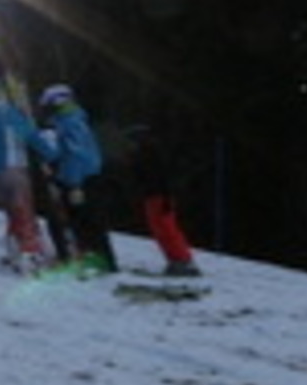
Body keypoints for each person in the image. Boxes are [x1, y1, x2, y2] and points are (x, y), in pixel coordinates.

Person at [33, 83, 118, 274]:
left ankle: (84, 259)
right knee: (89, 220)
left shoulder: (68, 123)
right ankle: (100, 259)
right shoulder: (76, 120)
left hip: (78, 180)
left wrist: (74, 184)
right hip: (87, 177)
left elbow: (69, 154)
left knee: (74, 220)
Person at [0, 72, 48, 273]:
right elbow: (33, 138)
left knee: (12, 215)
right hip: (14, 172)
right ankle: (30, 258)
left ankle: (15, 254)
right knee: (24, 214)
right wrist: (52, 151)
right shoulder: (12, 115)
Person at [126, 124, 201, 276]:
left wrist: (167, 197)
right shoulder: (143, 155)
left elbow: (164, 177)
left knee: (167, 228)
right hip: (152, 195)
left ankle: (183, 261)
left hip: (159, 195)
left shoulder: (153, 154)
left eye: (134, 140)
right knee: (159, 229)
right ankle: (175, 260)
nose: (132, 144)